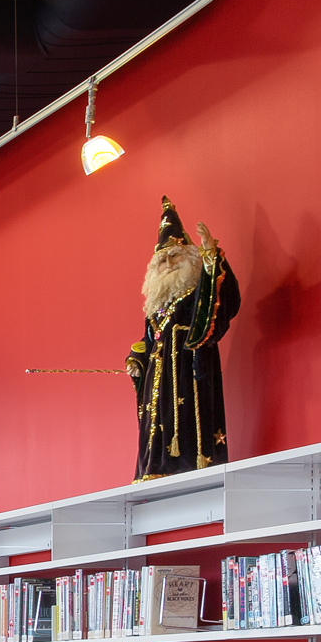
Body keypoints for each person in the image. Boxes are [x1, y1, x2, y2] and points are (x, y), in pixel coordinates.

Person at [125, 197, 240, 480]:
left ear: (189, 257)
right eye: (162, 260)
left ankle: (188, 462)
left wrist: (212, 256)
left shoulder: (196, 294)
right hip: (159, 381)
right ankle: (156, 467)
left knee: (187, 421)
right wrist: (137, 360)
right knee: (157, 422)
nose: (168, 263)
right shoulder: (156, 307)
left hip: (188, 373)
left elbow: (221, 300)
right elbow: (148, 340)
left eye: (175, 256)